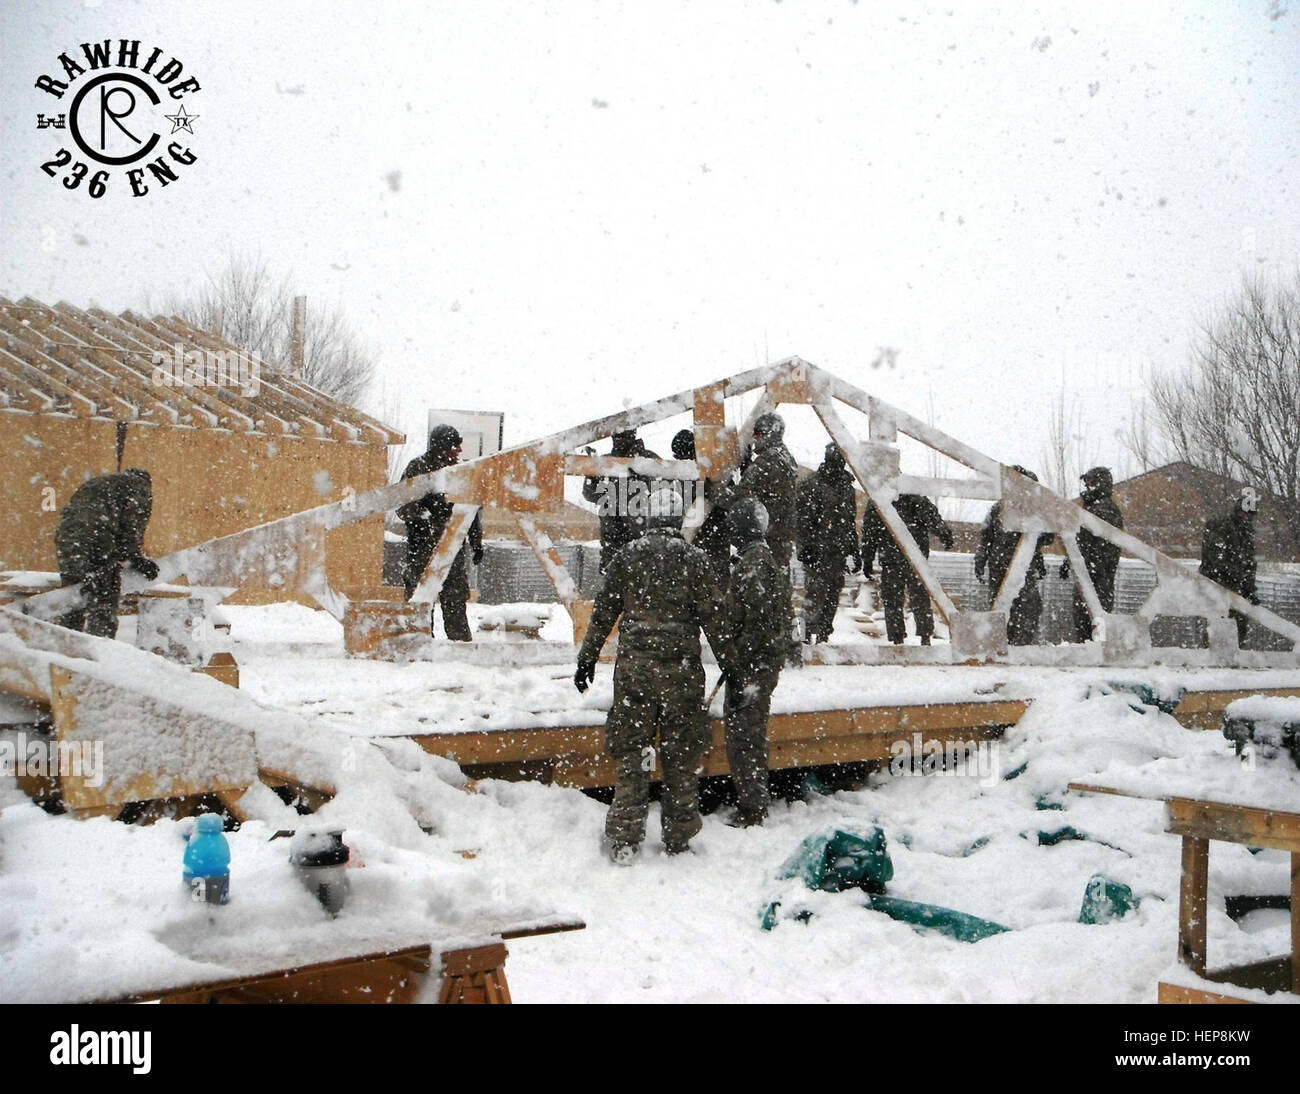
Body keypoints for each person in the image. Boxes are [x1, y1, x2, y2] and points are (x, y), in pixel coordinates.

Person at [573, 486, 721, 863]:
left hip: (635, 677)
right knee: (680, 756)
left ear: (650, 518)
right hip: (682, 676)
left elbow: (604, 611)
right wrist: (732, 662)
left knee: (634, 756)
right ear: (676, 520)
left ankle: (625, 835)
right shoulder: (695, 560)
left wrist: (586, 658)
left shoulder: (628, 557)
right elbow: (714, 619)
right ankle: (678, 836)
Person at [713, 498, 792, 827]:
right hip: (755, 663)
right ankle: (752, 802)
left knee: (745, 737)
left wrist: (735, 660)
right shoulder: (755, 559)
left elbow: (756, 621)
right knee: (746, 735)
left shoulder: (754, 563)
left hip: (753, 666)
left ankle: (753, 808)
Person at [397, 424, 483, 641]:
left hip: (453, 547)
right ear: (443, 446)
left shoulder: (462, 472)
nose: (459, 451)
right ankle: (419, 642)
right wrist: (424, 517)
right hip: (422, 547)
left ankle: (460, 646)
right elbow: (402, 504)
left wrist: (475, 540)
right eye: (455, 446)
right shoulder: (419, 468)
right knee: (420, 599)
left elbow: (471, 509)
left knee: (454, 598)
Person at [54, 467, 158, 638]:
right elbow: (130, 526)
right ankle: (100, 651)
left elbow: (78, 515)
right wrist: (135, 558)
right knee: (104, 597)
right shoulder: (139, 487)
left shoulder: (98, 483)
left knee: (73, 597)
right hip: (96, 539)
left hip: (66, 540)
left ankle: (67, 648)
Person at [973, 466, 1053, 645]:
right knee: (1016, 606)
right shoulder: (1005, 508)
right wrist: (981, 558)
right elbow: (987, 536)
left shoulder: (1018, 508)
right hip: (1009, 565)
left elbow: (1042, 538)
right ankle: (1010, 643)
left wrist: (981, 558)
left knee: (1019, 606)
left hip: (1014, 565)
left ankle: (1013, 642)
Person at [861, 494, 953, 645]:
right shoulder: (913, 497)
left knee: (897, 600)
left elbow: (870, 532)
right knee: (916, 599)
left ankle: (904, 637)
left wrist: (868, 558)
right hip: (911, 557)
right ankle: (922, 636)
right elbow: (933, 519)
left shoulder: (881, 498)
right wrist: (944, 534)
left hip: (897, 557)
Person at [796, 442, 861, 643]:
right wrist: (805, 546)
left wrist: (854, 550)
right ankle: (800, 640)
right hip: (816, 552)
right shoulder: (811, 484)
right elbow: (801, 520)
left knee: (831, 597)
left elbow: (849, 521)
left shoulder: (846, 488)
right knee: (813, 598)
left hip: (836, 553)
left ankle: (823, 639)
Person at [716, 411, 798, 568]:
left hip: (765, 538)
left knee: (759, 586)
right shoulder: (785, 457)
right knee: (775, 583)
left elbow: (741, 499)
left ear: (768, 434)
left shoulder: (767, 460)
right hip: (780, 537)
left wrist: (714, 490)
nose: (754, 438)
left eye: (758, 434)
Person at [581, 429, 659, 573]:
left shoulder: (648, 459)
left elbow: (664, 495)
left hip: (642, 540)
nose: (617, 439)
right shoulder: (605, 462)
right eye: (614, 436)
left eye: (621, 435)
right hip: (613, 540)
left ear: (632, 435)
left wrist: (640, 483)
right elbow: (588, 493)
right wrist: (591, 475)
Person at [1060, 466, 1123, 642]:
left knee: (1093, 625)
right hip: (1090, 577)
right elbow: (1082, 543)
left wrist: (1087, 565)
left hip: (1096, 579)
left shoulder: (1103, 510)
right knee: (1087, 624)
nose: (1086, 489)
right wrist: (1071, 560)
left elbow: (1095, 547)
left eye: (1090, 485)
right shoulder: (1093, 510)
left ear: (1100, 485)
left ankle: (1093, 657)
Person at [670, 428, 731, 586]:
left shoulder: (710, 473)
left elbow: (727, 502)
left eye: (680, 456)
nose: (679, 460)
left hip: (711, 541)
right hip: (704, 542)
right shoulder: (695, 475)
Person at [1200, 486, 1260, 647]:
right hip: (1217, 583)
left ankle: (1235, 655)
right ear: (1237, 511)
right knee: (1218, 621)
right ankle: (1212, 655)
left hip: (1235, 586)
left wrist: (1249, 589)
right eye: (1244, 513)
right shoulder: (1222, 525)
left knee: (1239, 623)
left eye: (1250, 514)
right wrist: (1233, 578)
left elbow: (1249, 564)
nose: (1246, 517)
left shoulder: (1246, 532)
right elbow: (1215, 557)